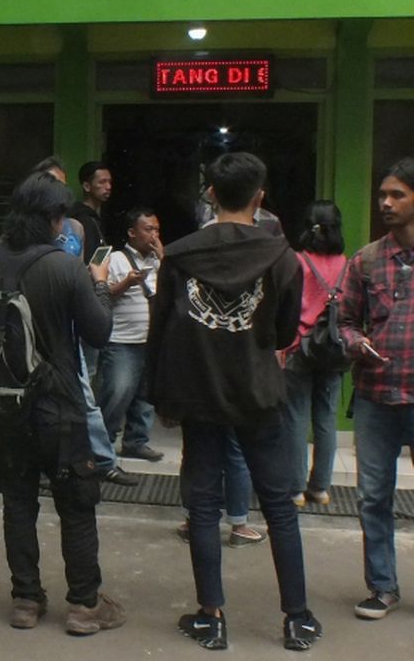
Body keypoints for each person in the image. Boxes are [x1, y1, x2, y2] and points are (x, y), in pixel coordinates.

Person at [146, 152, 321, 651]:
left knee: (202, 506)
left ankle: (211, 617)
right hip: (259, 394)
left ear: (211, 194)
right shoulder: (282, 257)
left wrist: (160, 395)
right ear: (260, 197)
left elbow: (162, 331)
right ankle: (297, 618)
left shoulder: (178, 257)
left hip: (200, 395)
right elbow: (285, 331)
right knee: (279, 506)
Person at [0, 174, 126, 636]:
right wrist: (97, 284)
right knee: (76, 502)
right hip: (60, 408)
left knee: (18, 502)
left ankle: (25, 600)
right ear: (52, 218)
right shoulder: (65, 267)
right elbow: (99, 333)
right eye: (62, 217)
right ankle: (83, 605)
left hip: (6, 407)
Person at [338, 157, 414, 621]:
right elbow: (344, 321)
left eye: (397, 194)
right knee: (373, 496)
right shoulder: (366, 260)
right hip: (376, 396)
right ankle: (382, 587)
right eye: (382, 194)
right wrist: (355, 342)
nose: (385, 202)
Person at [31, 160, 136, 486]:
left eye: (61, 183)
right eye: (50, 182)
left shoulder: (75, 227)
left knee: (84, 393)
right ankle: (55, 462)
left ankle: (101, 460)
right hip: (37, 324)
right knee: (46, 396)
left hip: (72, 322)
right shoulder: (29, 228)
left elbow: (83, 271)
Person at [280, 201, 349, 508]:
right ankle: (319, 488)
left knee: (295, 417)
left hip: (300, 347)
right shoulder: (346, 262)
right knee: (326, 418)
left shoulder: (298, 261)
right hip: (332, 349)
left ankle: (295, 490)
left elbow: (289, 307)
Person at [97, 207, 164, 462]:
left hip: (150, 341)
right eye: (148, 229)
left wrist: (163, 257)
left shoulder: (159, 260)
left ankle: (136, 442)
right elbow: (99, 293)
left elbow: (175, 291)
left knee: (145, 396)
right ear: (131, 233)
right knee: (117, 393)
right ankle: (102, 443)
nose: (154, 235)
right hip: (122, 341)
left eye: (157, 229)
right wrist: (126, 283)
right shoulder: (114, 259)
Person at [70, 161, 112, 264]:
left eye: (110, 182)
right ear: (87, 186)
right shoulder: (84, 219)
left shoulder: (92, 216)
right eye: (102, 182)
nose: (108, 187)